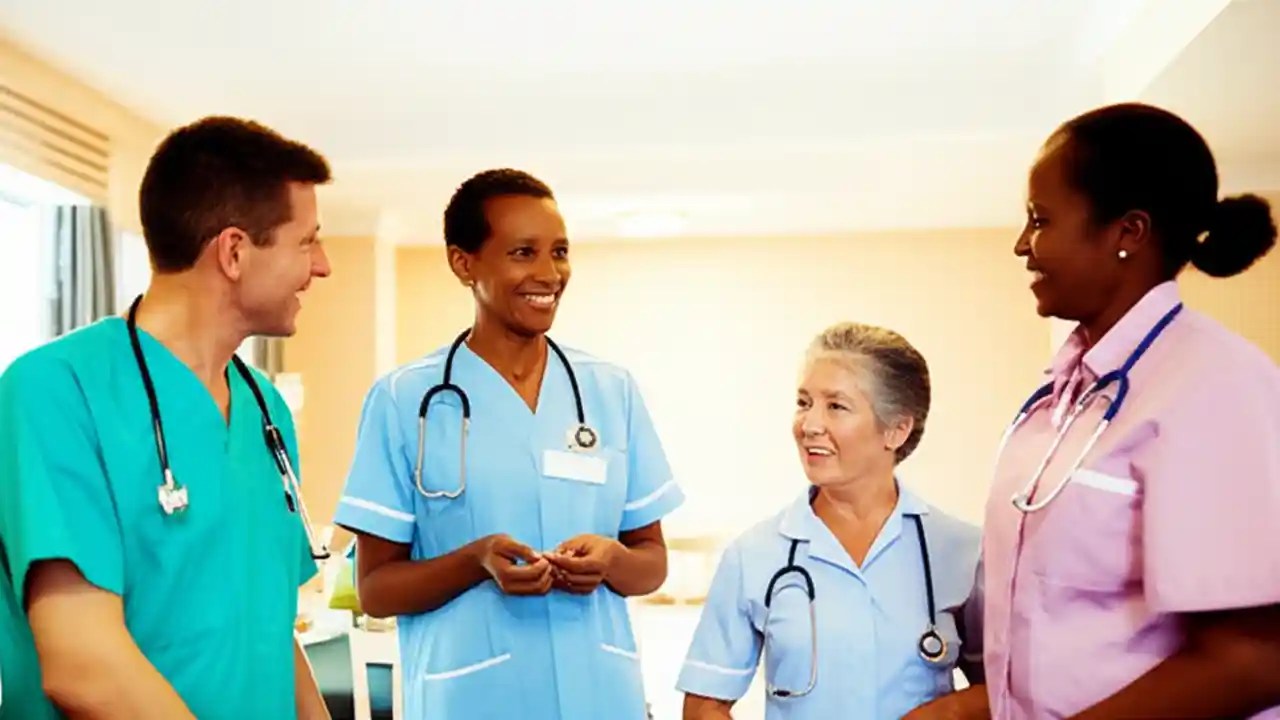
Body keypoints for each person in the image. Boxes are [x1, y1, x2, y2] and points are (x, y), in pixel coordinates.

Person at [0, 116, 334, 720]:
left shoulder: (266, 410)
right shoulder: (54, 391)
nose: (323, 266)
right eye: (307, 241)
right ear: (234, 251)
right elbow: (83, 665)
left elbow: (268, 630)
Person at [955, 102, 1280, 718]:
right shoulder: (1070, 392)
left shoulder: (1216, 384)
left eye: (1040, 220)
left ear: (1128, 232)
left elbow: (1255, 658)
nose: (1023, 245)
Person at [333, 168, 685, 720]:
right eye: (523, 252)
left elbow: (652, 561)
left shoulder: (609, 391)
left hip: (602, 698)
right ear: (463, 263)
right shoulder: (405, 400)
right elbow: (376, 588)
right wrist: (476, 560)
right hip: (471, 701)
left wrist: (613, 560)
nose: (549, 273)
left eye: (560, 252)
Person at [678, 322, 983, 720]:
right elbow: (704, 703)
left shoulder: (959, 551)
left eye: (835, 406)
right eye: (804, 402)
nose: (809, 425)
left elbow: (1004, 690)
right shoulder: (755, 554)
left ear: (896, 429)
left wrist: (946, 712)